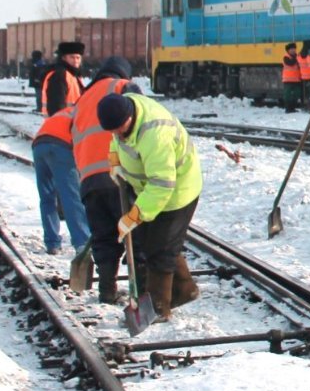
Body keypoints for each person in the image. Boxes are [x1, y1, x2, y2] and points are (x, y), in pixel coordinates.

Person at [98, 91, 201, 321]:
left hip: (177, 191)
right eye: (112, 131)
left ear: (129, 117)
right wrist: (115, 159)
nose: (116, 134)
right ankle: (185, 290)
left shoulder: (154, 134)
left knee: (160, 250)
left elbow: (162, 183)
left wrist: (135, 215)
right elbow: (117, 140)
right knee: (149, 242)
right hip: (149, 188)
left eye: (119, 128)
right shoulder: (124, 113)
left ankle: (158, 309)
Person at [71, 57, 142, 302]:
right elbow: (141, 121)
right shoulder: (122, 86)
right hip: (118, 173)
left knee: (103, 236)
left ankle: (107, 290)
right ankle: (142, 292)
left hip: (89, 178)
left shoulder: (82, 99)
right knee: (136, 233)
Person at [31, 107, 91, 255]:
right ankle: (82, 242)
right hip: (61, 147)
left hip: (39, 145)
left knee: (47, 197)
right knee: (71, 197)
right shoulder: (85, 113)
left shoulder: (65, 111)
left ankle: (52, 243)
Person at [41, 41, 85, 116]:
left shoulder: (74, 76)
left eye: (78, 58)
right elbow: (56, 106)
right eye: (72, 57)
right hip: (62, 123)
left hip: (72, 122)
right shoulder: (60, 75)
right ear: (63, 58)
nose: (75, 61)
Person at [281, 42, 302, 113]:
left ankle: (293, 108)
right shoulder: (286, 57)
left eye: (294, 49)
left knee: (296, 94)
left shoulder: (297, 57)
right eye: (291, 49)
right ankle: (288, 108)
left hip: (296, 79)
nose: (293, 50)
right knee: (288, 95)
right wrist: (297, 57)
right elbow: (290, 63)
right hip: (287, 79)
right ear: (288, 50)